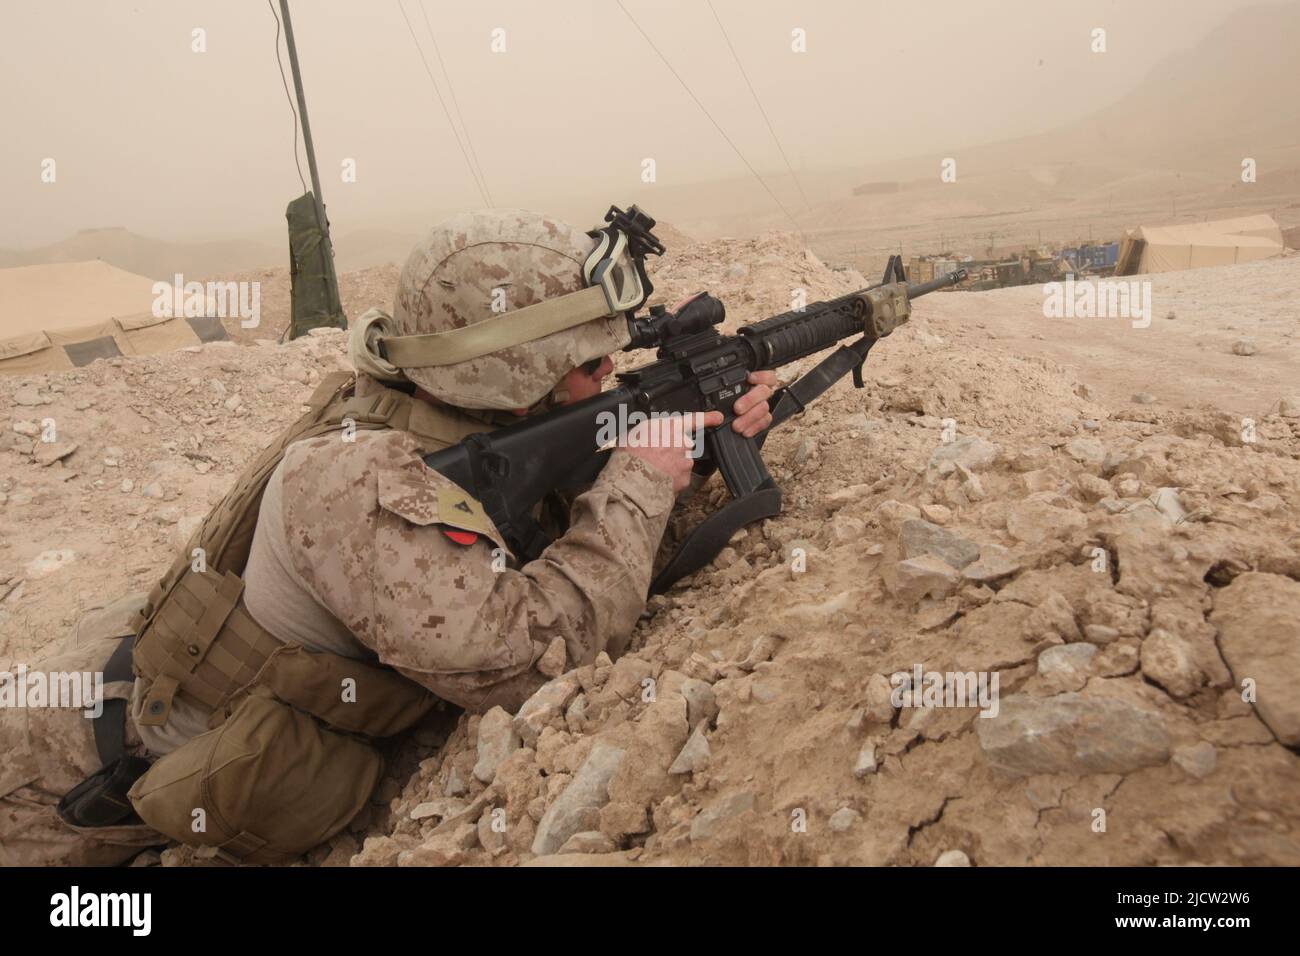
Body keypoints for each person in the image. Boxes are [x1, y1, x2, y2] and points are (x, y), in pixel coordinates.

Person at [0, 208, 774, 865]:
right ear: (510, 372)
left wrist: (697, 438)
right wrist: (641, 481)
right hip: (65, 769)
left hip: (162, 681)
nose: (610, 372)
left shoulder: (453, 414)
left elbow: (548, 489)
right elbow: (532, 660)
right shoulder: (362, 482)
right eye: (590, 361)